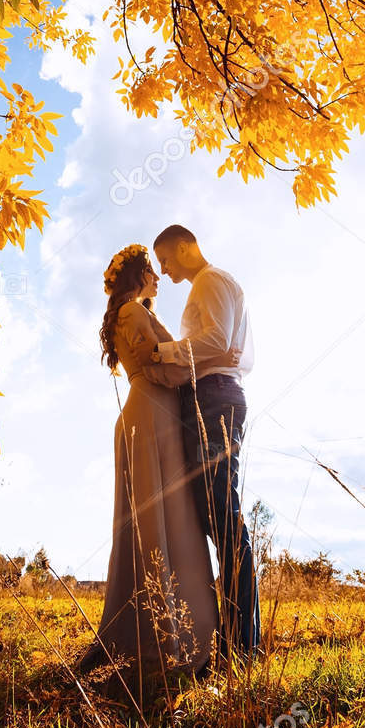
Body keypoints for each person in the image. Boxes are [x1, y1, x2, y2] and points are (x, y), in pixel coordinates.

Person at [83, 243, 240, 682]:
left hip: (153, 415)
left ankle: (166, 626)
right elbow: (160, 367)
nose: (158, 278)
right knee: (166, 518)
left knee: (165, 517)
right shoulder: (133, 313)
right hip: (153, 416)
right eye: (153, 271)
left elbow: (160, 359)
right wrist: (209, 361)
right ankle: (172, 635)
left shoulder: (133, 313)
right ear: (139, 278)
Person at [150, 224, 260, 657]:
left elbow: (217, 341)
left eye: (166, 261)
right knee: (215, 515)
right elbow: (219, 346)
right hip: (212, 396)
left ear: (184, 246)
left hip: (216, 399)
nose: (166, 271)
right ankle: (237, 638)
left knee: (222, 516)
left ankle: (244, 645)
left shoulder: (211, 281)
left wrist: (162, 352)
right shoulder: (212, 284)